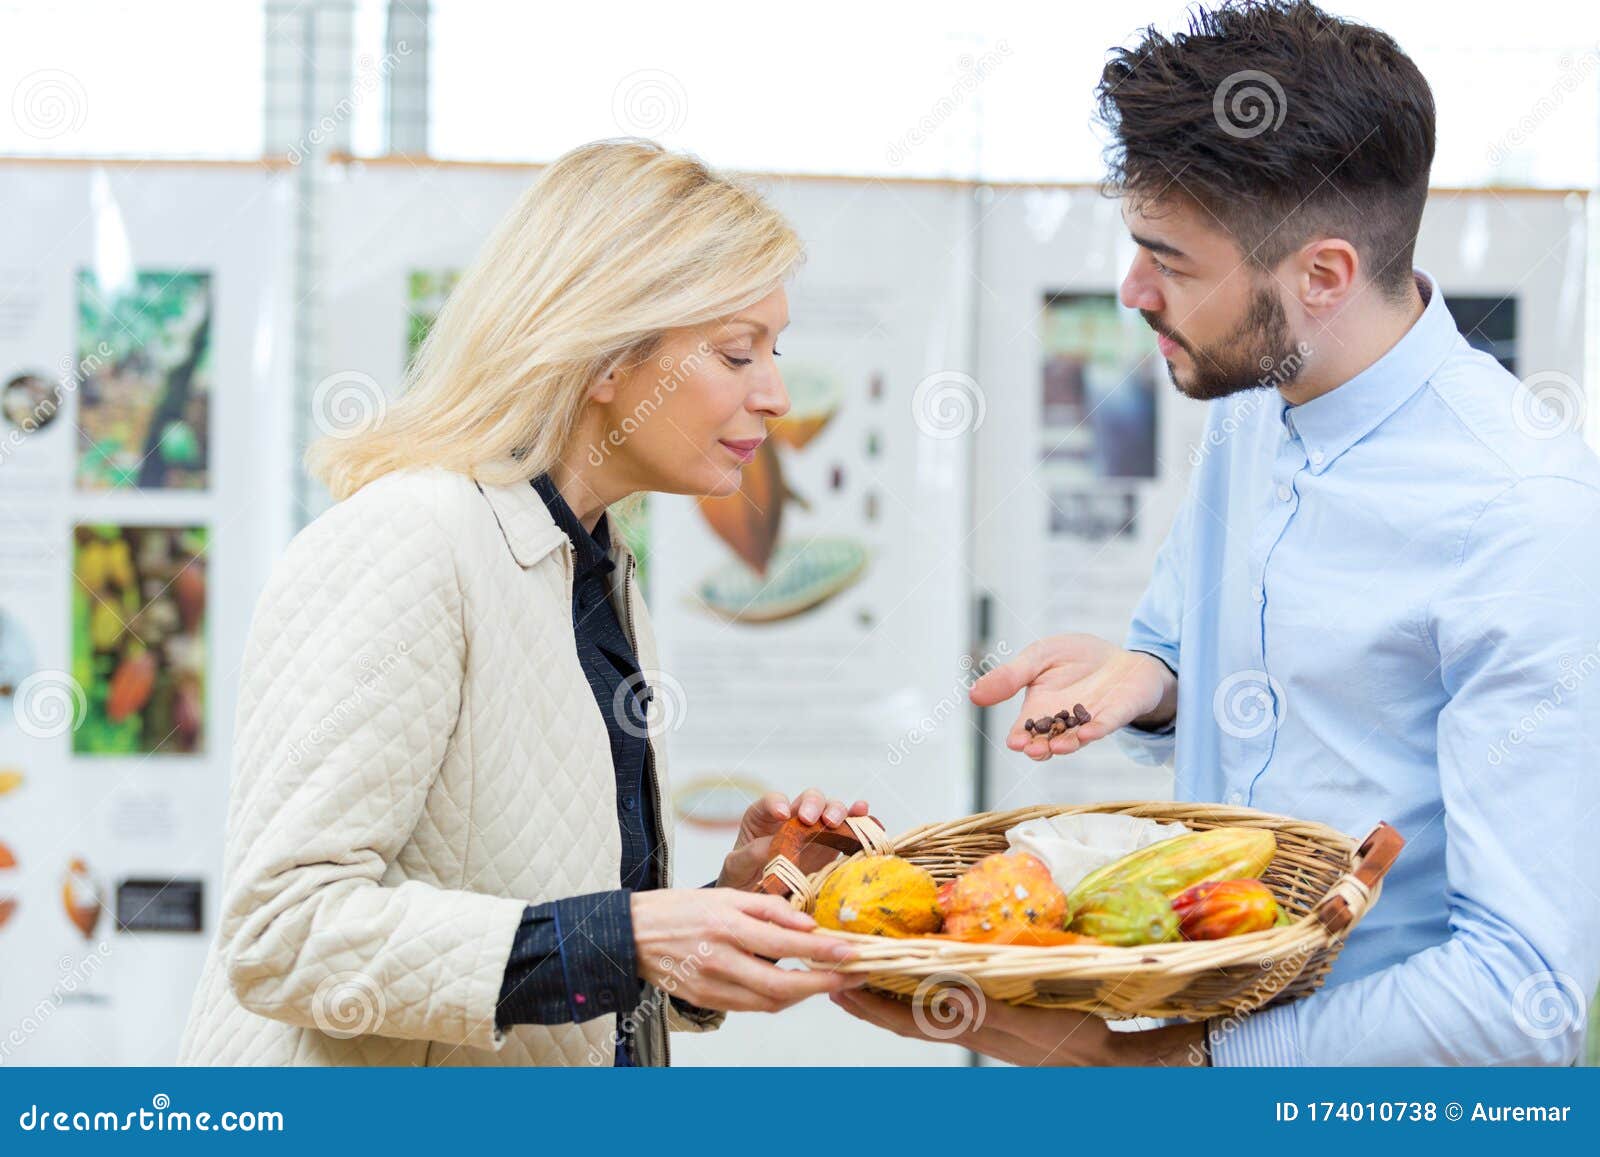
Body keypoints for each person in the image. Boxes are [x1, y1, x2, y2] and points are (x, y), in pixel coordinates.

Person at [835, 0, 1600, 1065]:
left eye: (1172, 263)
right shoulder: (1252, 399)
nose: (1130, 290)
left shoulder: (1526, 512)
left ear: (1322, 277)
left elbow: (1522, 993)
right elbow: (1215, 656)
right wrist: (1147, 676)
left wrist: (1180, 1070)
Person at [179, 140, 867, 1067]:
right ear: (607, 360)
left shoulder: (596, 571)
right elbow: (282, 934)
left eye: (773, 353)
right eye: (737, 352)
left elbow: (558, 938)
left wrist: (718, 905)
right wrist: (630, 934)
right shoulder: (410, 541)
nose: (776, 394)